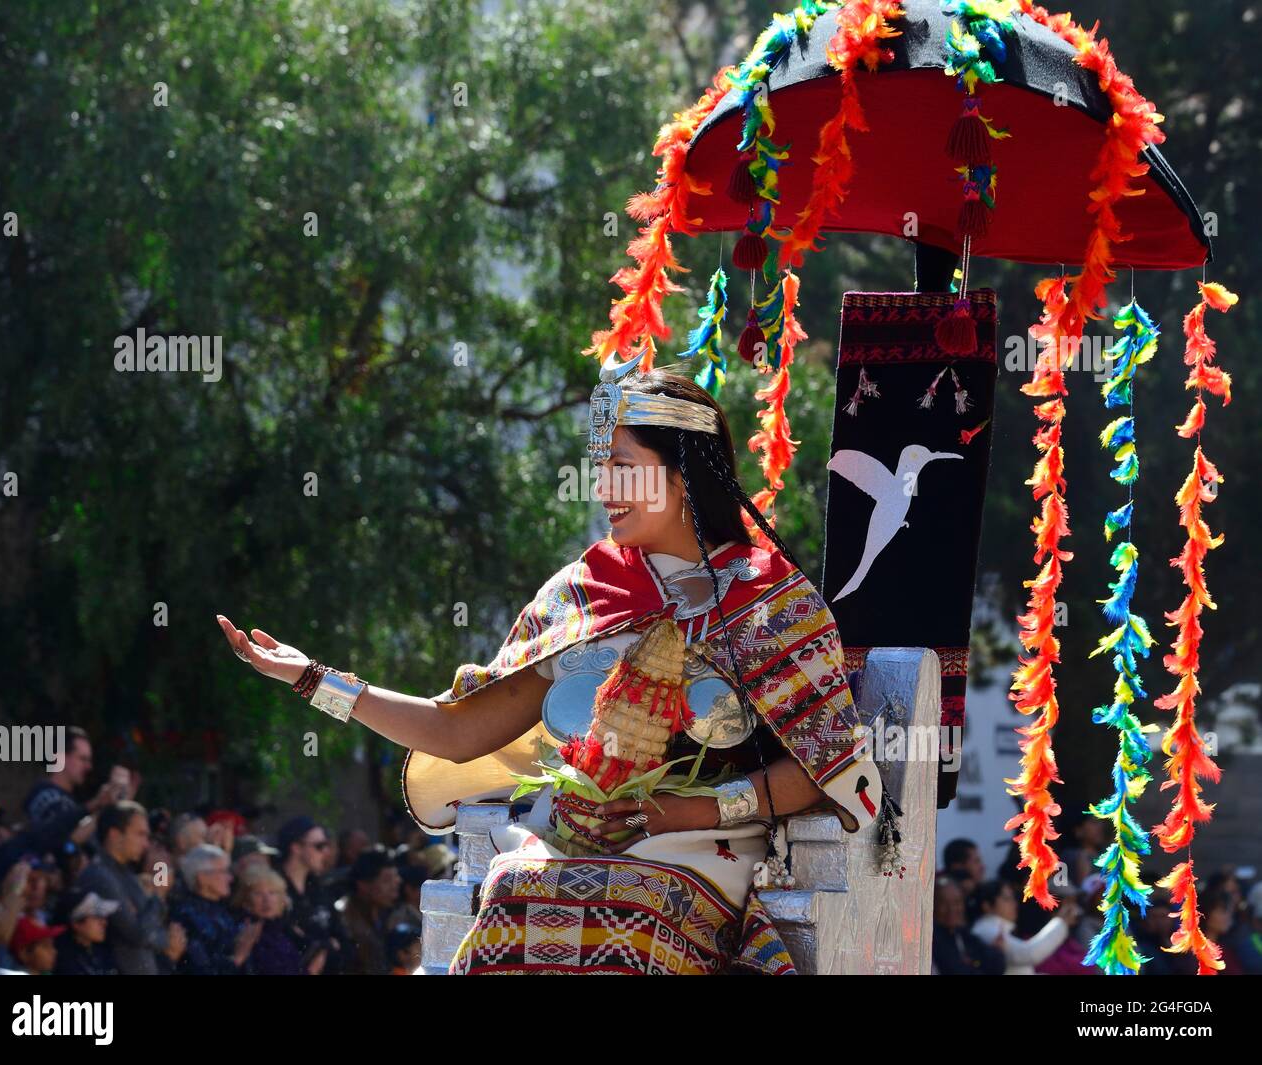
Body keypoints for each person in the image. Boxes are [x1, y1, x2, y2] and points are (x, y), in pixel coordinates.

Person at [217, 365, 887, 975]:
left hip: (705, 846)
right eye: (601, 467)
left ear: (681, 476)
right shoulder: (583, 590)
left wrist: (685, 809)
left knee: (633, 909)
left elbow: (821, 768)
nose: (603, 488)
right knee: (515, 893)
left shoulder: (774, 600)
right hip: (574, 836)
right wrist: (313, 679)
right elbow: (455, 733)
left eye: (622, 466)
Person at [76, 800, 186, 975]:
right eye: (140, 834)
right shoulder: (100, 876)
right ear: (115, 835)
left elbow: (154, 931)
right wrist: (158, 894)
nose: (146, 844)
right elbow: (138, 934)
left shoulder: (127, 874)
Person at [169, 843, 260, 975]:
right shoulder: (186, 916)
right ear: (202, 877)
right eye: (223, 871)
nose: (230, 878)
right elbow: (198, 969)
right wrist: (237, 958)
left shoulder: (222, 909)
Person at [969, 879, 1079, 975]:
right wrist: (1061, 922)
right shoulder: (986, 930)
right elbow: (1028, 954)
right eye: (1007, 899)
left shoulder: (996, 927)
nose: (1014, 904)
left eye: (1013, 898)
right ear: (987, 906)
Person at [274, 815, 340, 972]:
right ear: (296, 847)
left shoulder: (319, 889)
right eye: (319, 846)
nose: (325, 852)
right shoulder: (273, 889)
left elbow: (341, 937)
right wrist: (325, 944)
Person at [234, 864, 319, 975]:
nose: (267, 900)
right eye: (258, 893)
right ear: (245, 899)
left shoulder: (286, 930)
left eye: (272, 893)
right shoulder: (244, 931)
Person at [336, 846, 402, 975]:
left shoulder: (388, 914)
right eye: (387, 880)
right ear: (363, 885)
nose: (395, 887)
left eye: (396, 880)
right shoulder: (343, 919)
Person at [931, 877, 1005, 975]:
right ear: (933, 905)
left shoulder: (961, 933)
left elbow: (997, 963)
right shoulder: (932, 939)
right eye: (944, 903)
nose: (952, 909)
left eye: (957, 902)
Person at [52, 890, 120, 975]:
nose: (104, 922)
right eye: (97, 916)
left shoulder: (103, 953)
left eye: (104, 916)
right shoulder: (62, 961)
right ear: (76, 924)